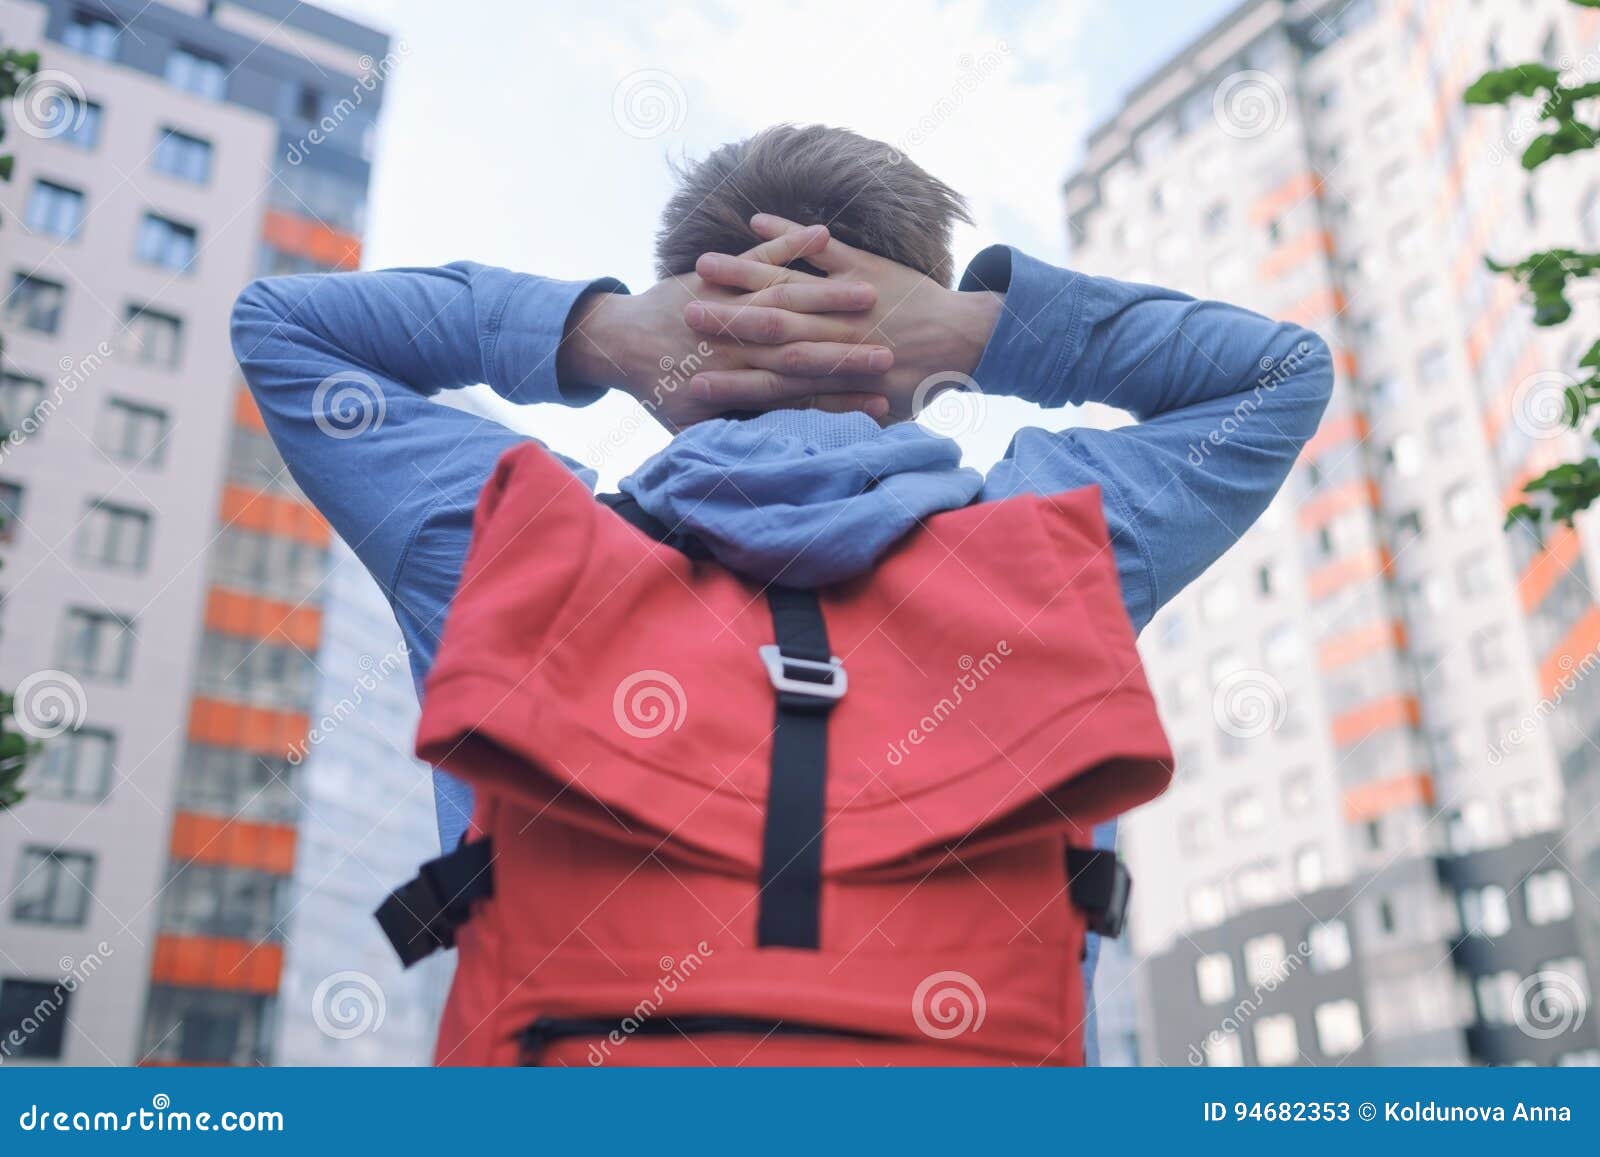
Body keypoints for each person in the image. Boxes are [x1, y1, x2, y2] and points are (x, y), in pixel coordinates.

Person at [231, 123, 1332, 1062]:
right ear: (903, 326)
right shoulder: (1058, 542)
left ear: (684, 300)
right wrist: (972, 332)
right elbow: (1277, 373)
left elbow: (283, 327)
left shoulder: (510, 548)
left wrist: (601, 335)